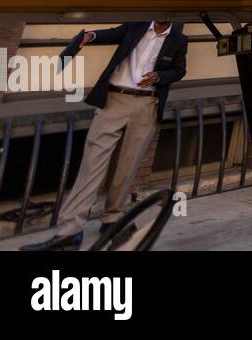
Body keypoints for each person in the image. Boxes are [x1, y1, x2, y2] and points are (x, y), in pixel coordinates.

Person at [22, 18, 187, 250]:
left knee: (128, 165)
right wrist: (89, 36)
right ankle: (70, 230)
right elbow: (110, 34)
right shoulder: (136, 26)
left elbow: (179, 70)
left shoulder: (179, 39)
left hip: (147, 104)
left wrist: (160, 77)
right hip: (114, 99)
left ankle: (112, 218)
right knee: (92, 163)